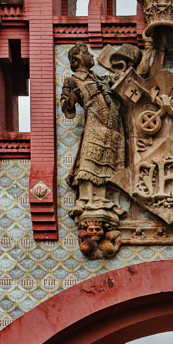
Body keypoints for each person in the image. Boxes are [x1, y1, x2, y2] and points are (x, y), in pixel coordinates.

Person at [60, 42, 124, 216]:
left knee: (105, 161)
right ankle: (85, 199)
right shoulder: (73, 80)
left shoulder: (99, 78)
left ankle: (100, 198)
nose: (91, 56)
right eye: (87, 53)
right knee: (89, 159)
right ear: (77, 58)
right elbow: (66, 106)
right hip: (94, 125)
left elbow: (118, 82)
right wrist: (74, 96)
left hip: (109, 128)